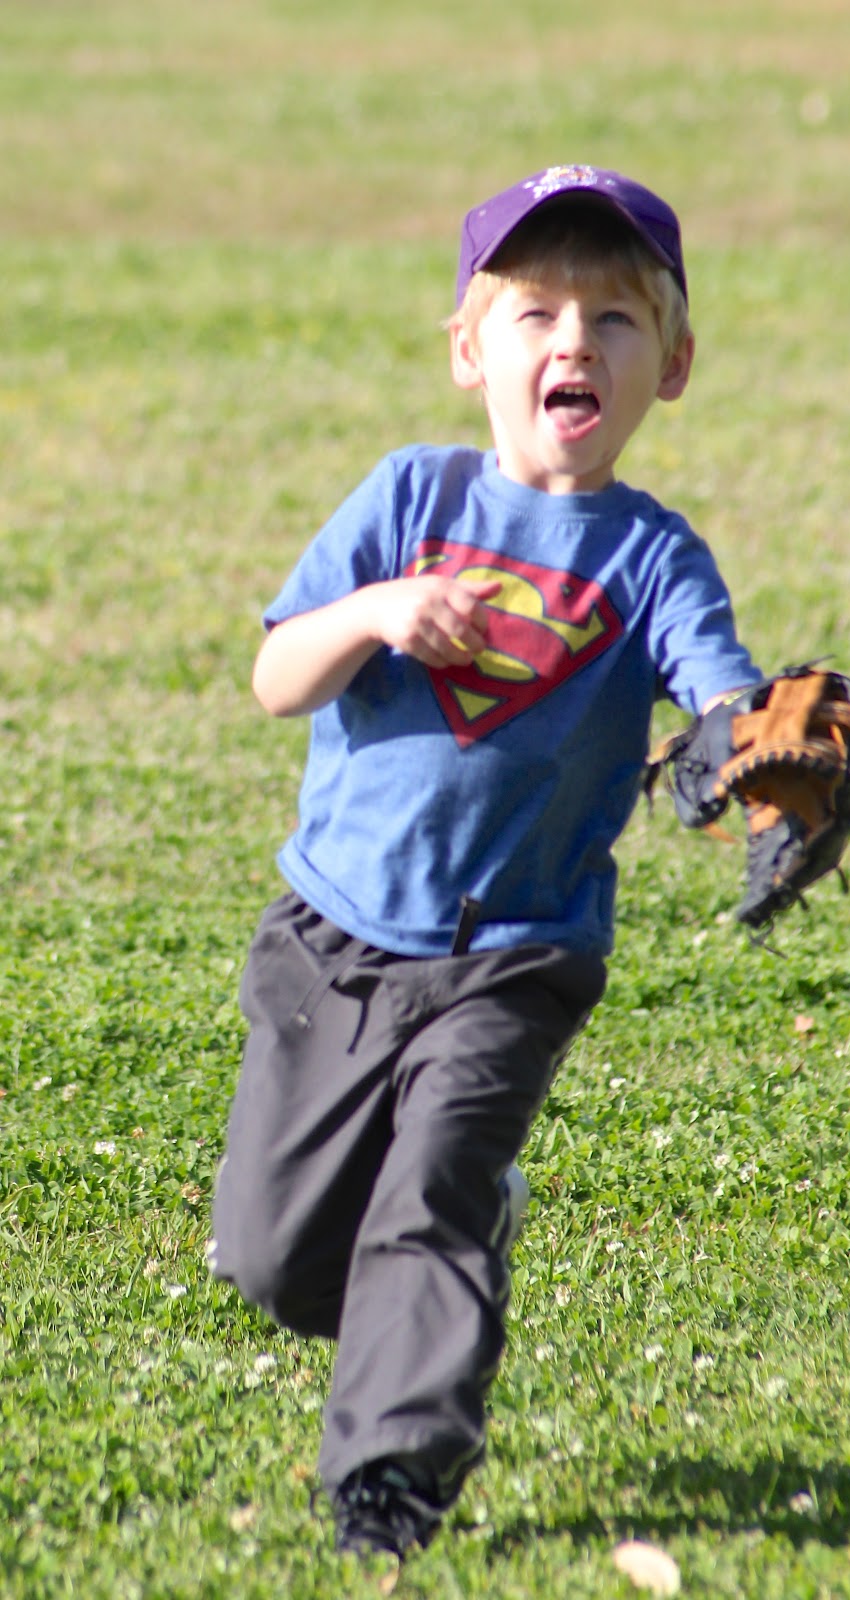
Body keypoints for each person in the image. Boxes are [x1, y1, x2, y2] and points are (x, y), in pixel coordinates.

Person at [208, 163, 761, 1560]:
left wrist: (735, 744)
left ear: (672, 366)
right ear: (472, 353)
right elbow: (279, 676)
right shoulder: (404, 496)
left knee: (432, 1195)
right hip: (331, 937)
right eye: (534, 314)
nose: (572, 341)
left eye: (615, 319)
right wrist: (381, 609)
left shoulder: (650, 557)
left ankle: (390, 1479)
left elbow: (719, 697)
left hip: (515, 950)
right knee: (280, 1260)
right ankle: (425, 1276)